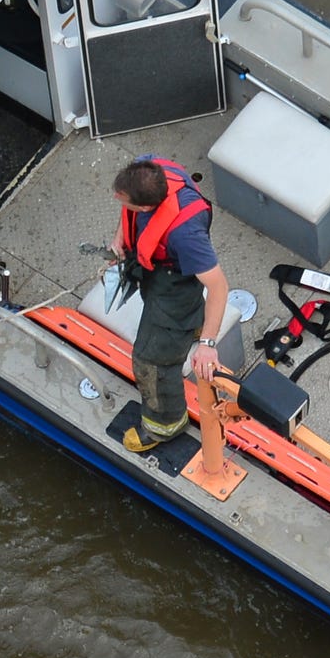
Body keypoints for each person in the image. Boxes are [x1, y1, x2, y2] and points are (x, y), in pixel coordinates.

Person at [110, 156, 233, 450]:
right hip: (156, 266)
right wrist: (119, 242)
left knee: (151, 360)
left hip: (173, 283)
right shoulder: (149, 169)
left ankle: (164, 425)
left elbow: (218, 287)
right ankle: (192, 326)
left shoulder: (186, 236)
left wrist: (208, 345)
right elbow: (127, 211)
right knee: (179, 303)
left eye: (124, 200)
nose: (119, 201)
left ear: (145, 207)